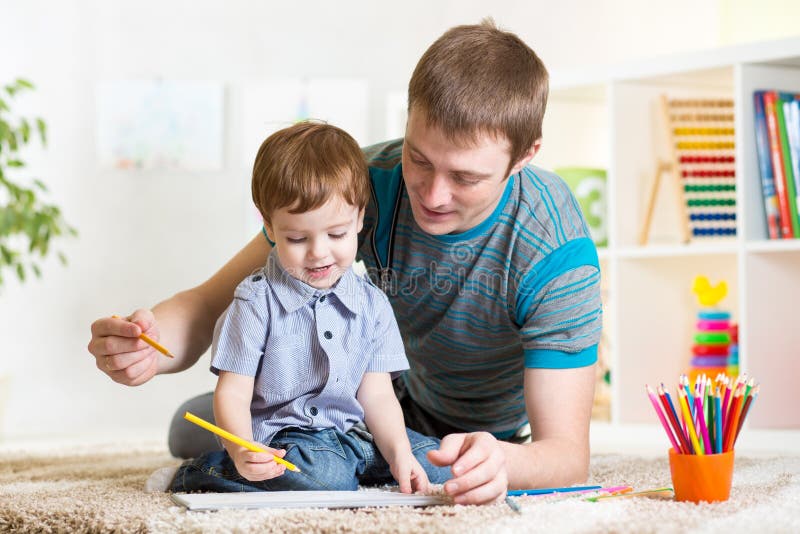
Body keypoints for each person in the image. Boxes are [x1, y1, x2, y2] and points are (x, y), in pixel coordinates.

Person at [89, 19, 601, 505]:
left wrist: (502, 461)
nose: (433, 194)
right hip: (358, 405)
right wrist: (146, 347)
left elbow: (565, 456)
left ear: (525, 156)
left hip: (471, 431)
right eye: (419, 158)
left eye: (465, 177)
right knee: (189, 427)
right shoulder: (363, 184)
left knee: (439, 462)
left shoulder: (554, 251)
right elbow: (208, 304)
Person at [166, 121, 449, 493]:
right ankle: (205, 472)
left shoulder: (372, 303)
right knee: (326, 476)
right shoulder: (255, 302)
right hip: (283, 441)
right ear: (269, 226)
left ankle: (354, 466)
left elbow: (377, 395)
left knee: (439, 462)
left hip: (352, 436)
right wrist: (240, 450)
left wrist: (398, 453)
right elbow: (233, 393)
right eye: (297, 238)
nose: (318, 253)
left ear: (360, 218)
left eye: (337, 234)